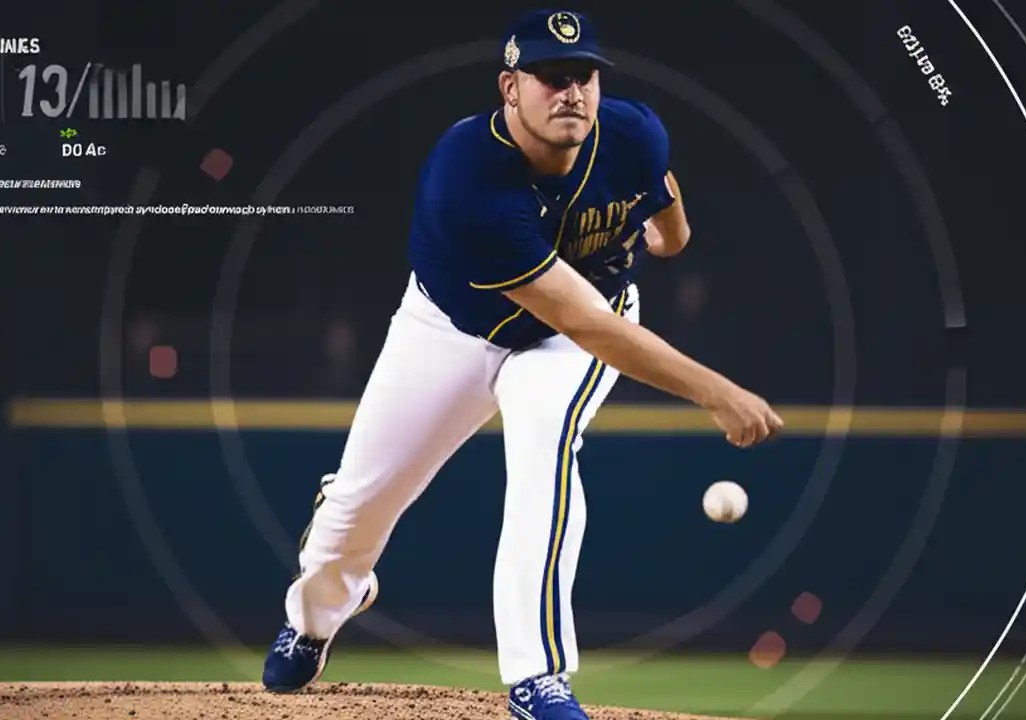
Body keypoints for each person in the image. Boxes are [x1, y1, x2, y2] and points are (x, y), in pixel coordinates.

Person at [262, 9, 783, 719]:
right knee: (355, 509)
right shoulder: (468, 177)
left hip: (564, 346)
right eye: (550, 78)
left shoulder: (632, 131)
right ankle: (316, 618)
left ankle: (537, 676)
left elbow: (656, 191)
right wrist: (717, 392)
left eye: (584, 77)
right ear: (511, 87)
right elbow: (583, 319)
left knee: (544, 453)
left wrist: (670, 235)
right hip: (452, 329)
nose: (572, 91)